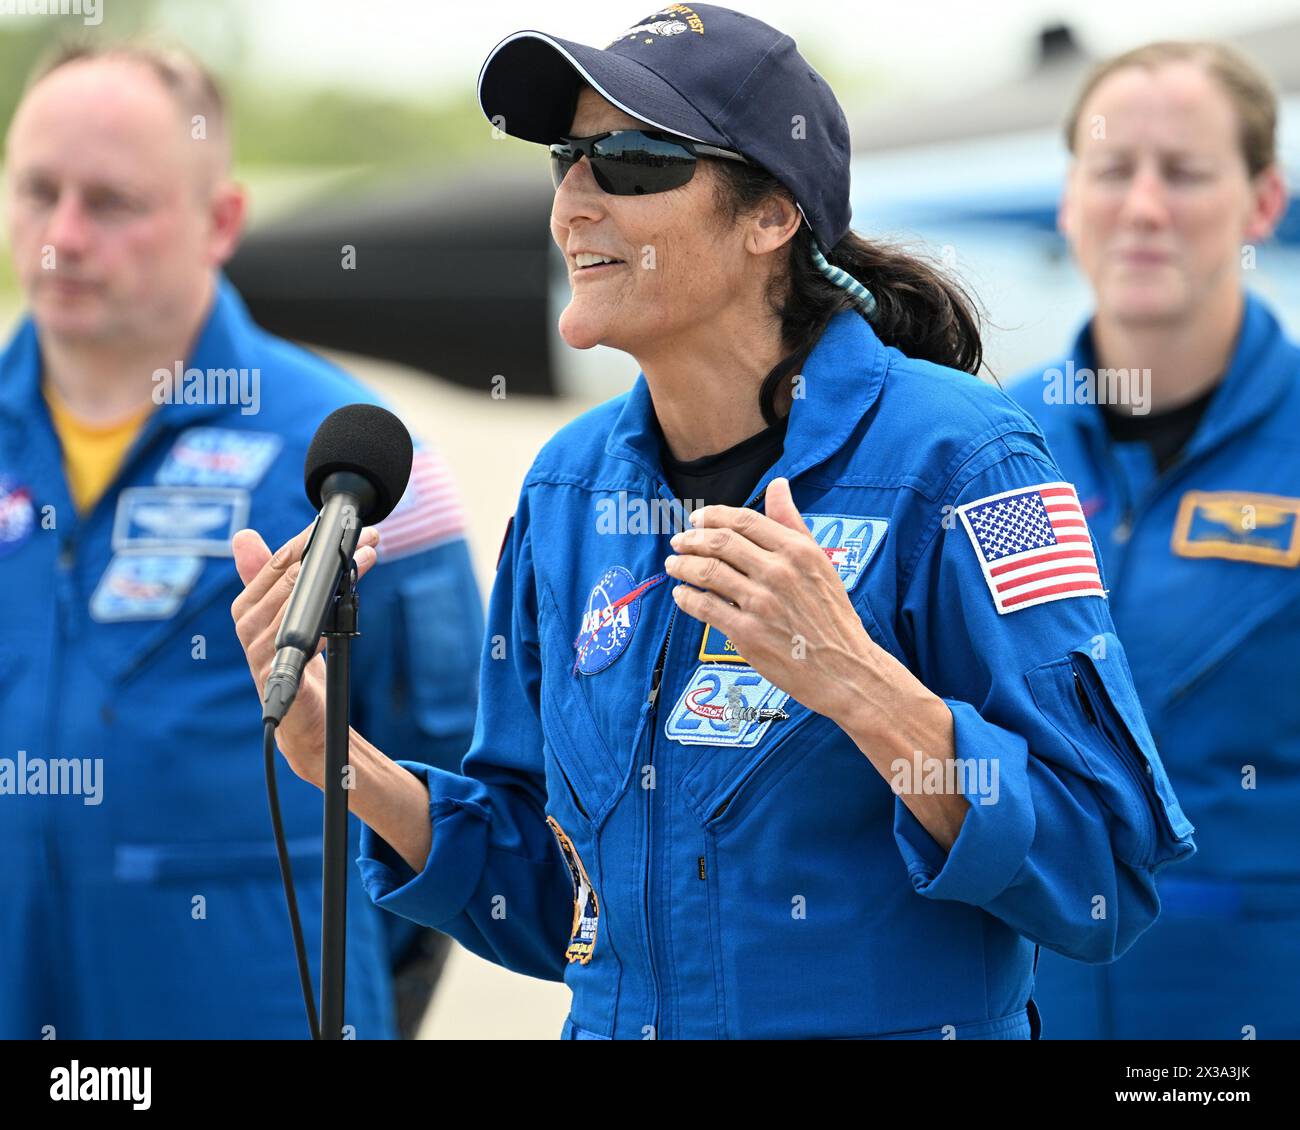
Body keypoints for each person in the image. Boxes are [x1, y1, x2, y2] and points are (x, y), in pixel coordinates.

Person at [233, 4, 1194, 1040]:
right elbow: (557, 904)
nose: (573, 202)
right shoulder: (568, 487)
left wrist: (858, 683)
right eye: (567, 158)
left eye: (632, 162)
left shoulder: (962, 461)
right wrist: (346, 764)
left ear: (770, 215)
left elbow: (1102, 870)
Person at [0, 43, 483, 1039]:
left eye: (114, 202)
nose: (64, 237)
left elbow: (457, 805)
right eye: (37, 192)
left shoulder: (353, 463)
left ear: (221, 220)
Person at [1008, 41, 1299, 1039]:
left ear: (1263, 202)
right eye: (1111, 168)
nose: (1142, 207)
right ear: (1066, 195)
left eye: (1182, 172)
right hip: (1025, 1005)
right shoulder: (986, 449)